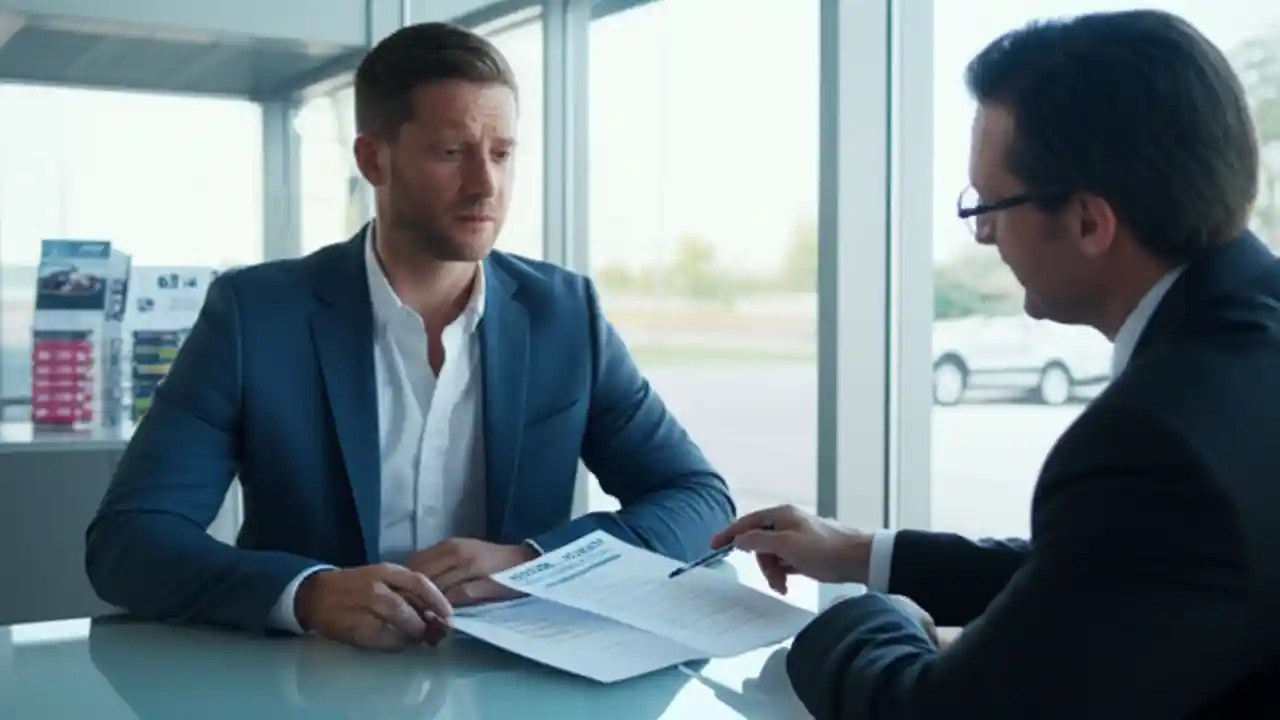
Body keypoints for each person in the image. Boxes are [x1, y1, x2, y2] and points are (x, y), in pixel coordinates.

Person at [85, 22, 734, 650]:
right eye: (452, 153)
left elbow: (698, 500)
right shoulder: (256, 315)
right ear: (374, 158)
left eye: (502, 153)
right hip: (309, 686)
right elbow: (129, 542)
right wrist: (310, 594)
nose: (487, 184)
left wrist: (532, 562)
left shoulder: (565, 315)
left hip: (514, 687)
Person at [714, 10, 1280, 719]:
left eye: (989, 204)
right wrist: (862, 553)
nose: (981, 233)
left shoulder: (1157, 438)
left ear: (1088, 222)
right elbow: (1118, 565)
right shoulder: (1248, 344)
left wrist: (852, 617)